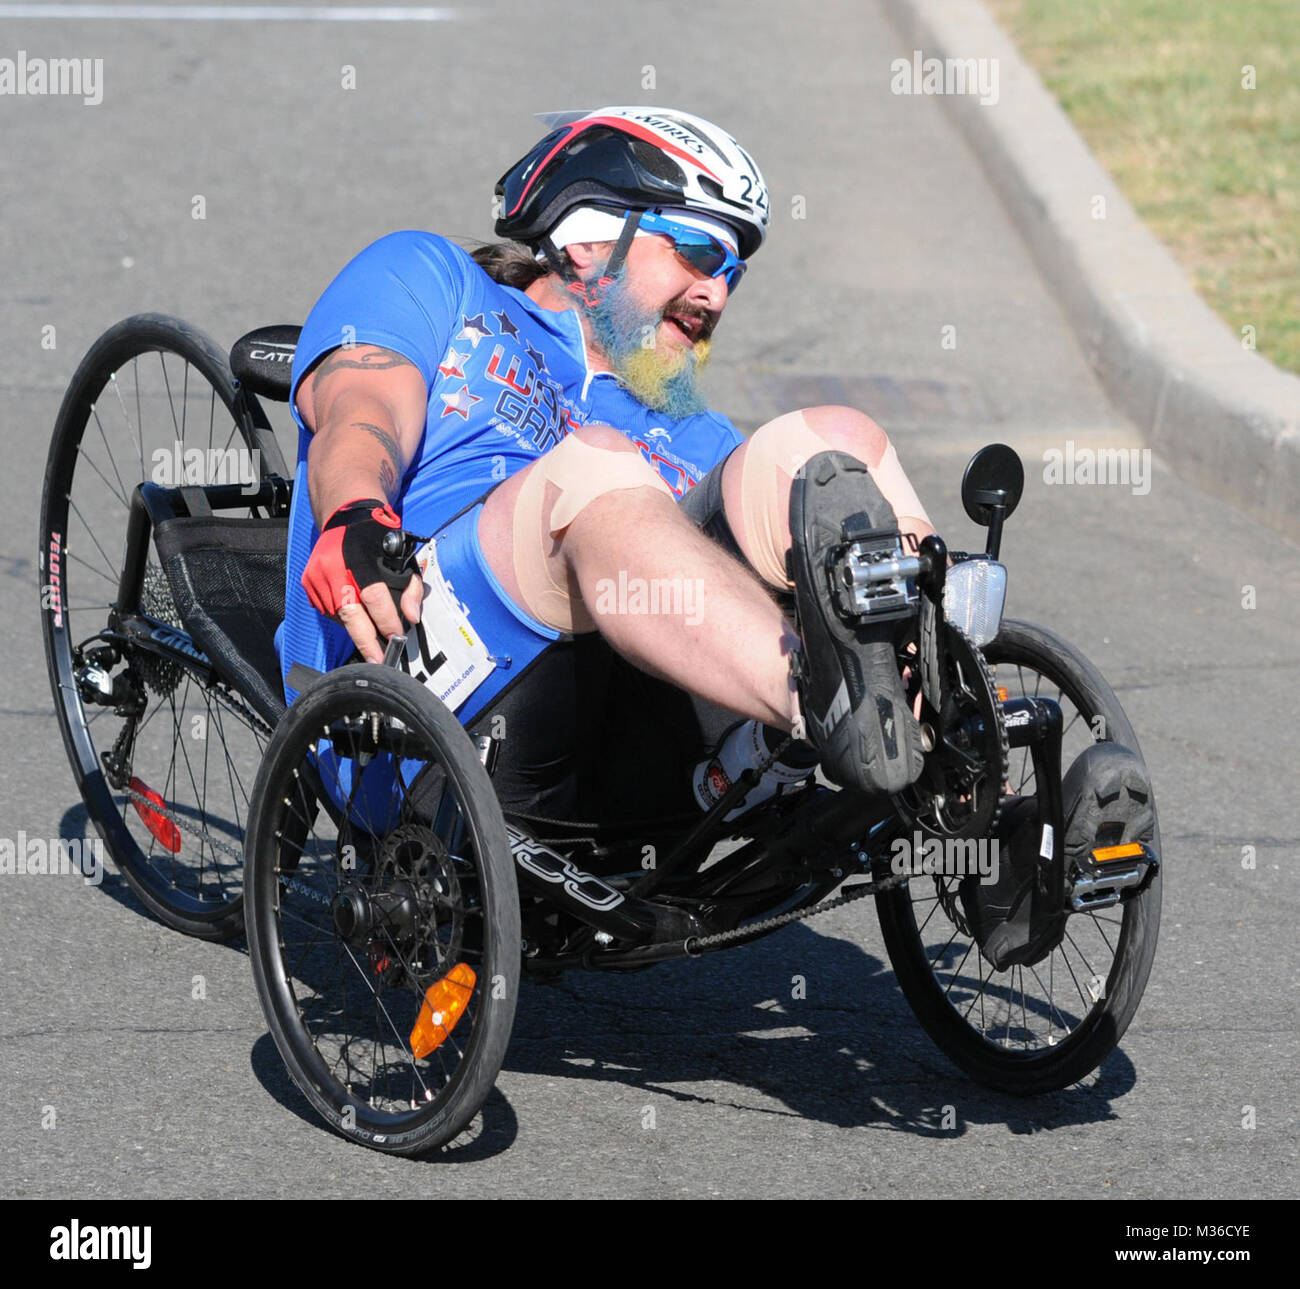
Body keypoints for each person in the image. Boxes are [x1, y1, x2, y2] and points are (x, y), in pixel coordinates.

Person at [278, 106, 937, 829]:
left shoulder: (689, 432)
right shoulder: (437, 282)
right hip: (406, 708)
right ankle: (827, 703)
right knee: (591, 469)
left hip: (626, 750)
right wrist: (353, 508)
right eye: (697, 251)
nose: (717, 294)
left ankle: (948, 724)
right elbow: (361, 406)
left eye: (733, 273)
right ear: (588, 238)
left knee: (828, 444)